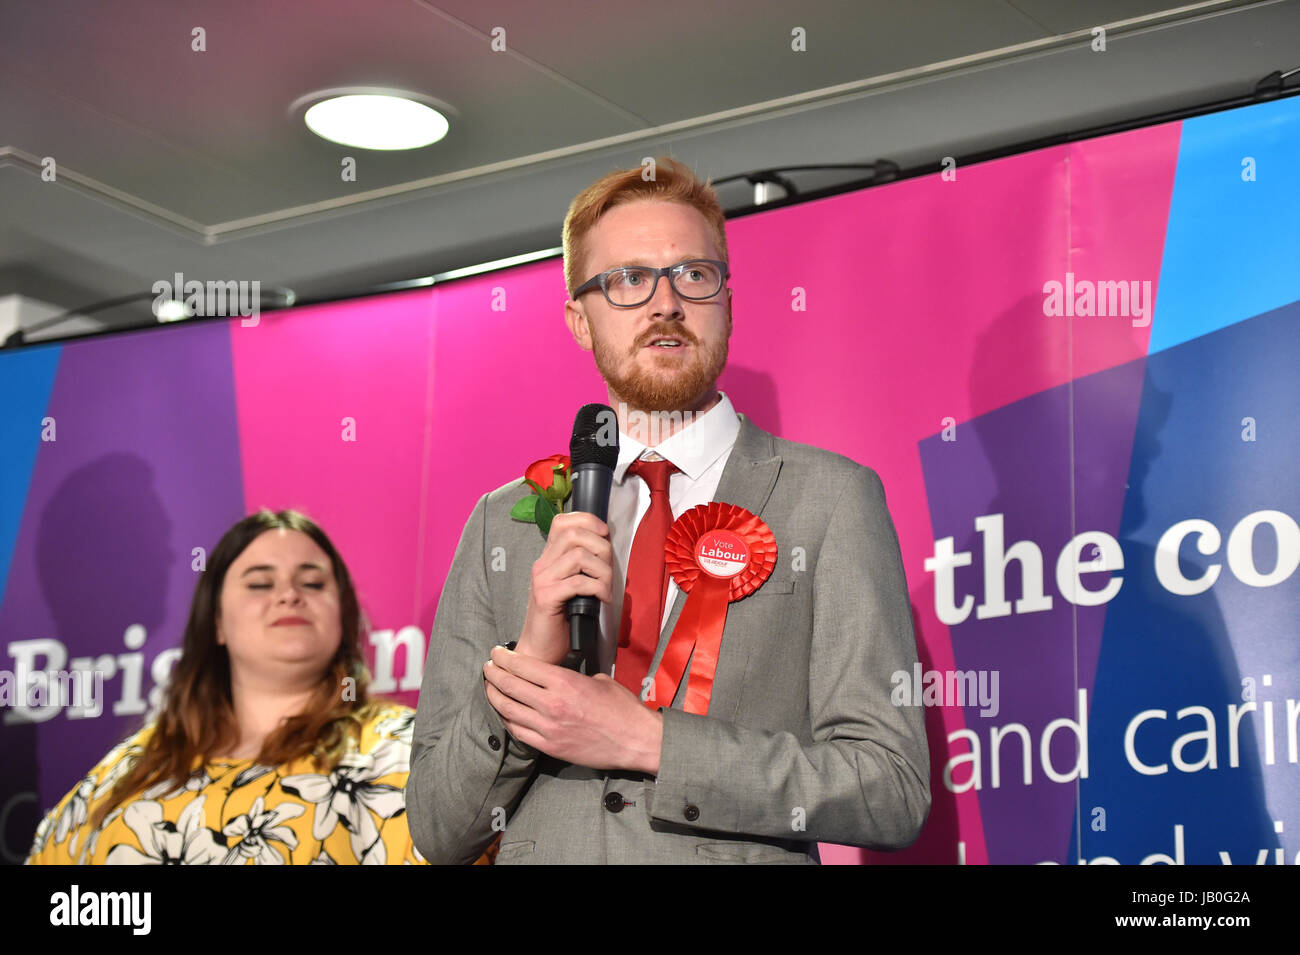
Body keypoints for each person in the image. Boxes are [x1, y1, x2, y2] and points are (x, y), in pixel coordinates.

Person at [407, 157, 930, 864]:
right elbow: (440, 830)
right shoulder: (502, 522)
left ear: (727, 304)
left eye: (694, 274)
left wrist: (650, 742)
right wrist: (531, 660)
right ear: (579, 321)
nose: (665, 304)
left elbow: (890, 786)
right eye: (627, 280)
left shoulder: (831, 499)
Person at [26, 509, 455, 865]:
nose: (288, 595)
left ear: (342, 615)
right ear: (216, 623)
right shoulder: (130, 771)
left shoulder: (410, 753)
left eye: (312, 583)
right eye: (260, 584)